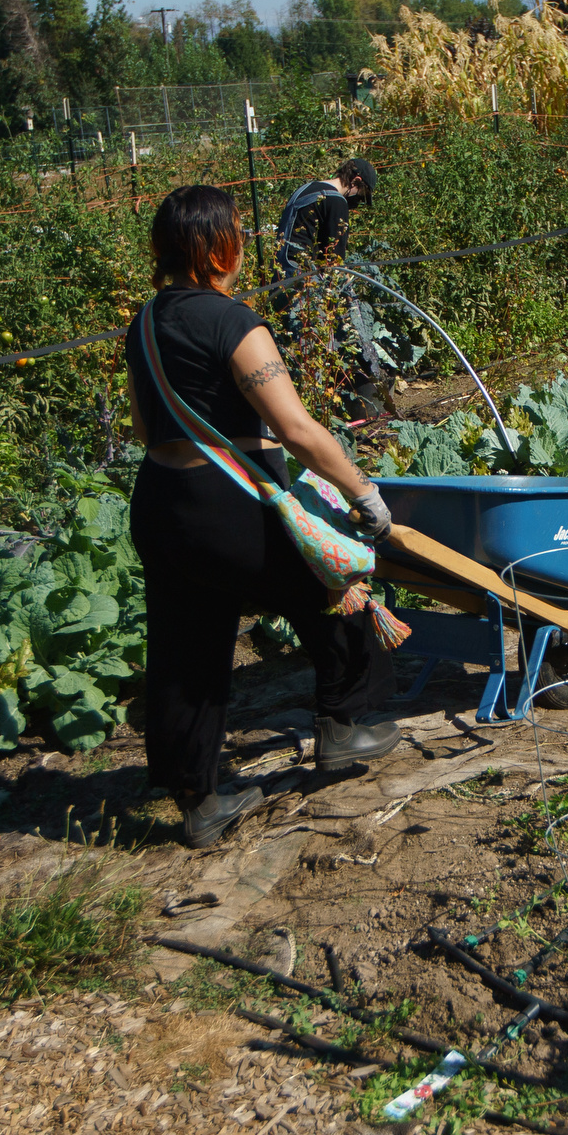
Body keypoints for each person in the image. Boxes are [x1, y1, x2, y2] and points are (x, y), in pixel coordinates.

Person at [126, 185, 401, 849]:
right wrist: (363, 494)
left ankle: (199, 801)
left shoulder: (143, 324)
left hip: (161, 505)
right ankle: (341, 725)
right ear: (218, 248)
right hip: (227, 507)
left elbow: (142, 428)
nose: (245, 245)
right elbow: (297, 428)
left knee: (185, 650)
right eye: (238, 235)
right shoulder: (235, 324)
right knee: (335, 586)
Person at [273, 157, 378, 275]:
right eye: (360, 196)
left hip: (279, 270)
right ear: (355, 181)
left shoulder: (305, 189)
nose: (357, 202)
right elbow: (334, 259)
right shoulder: (337, 201)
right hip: (302, 273)